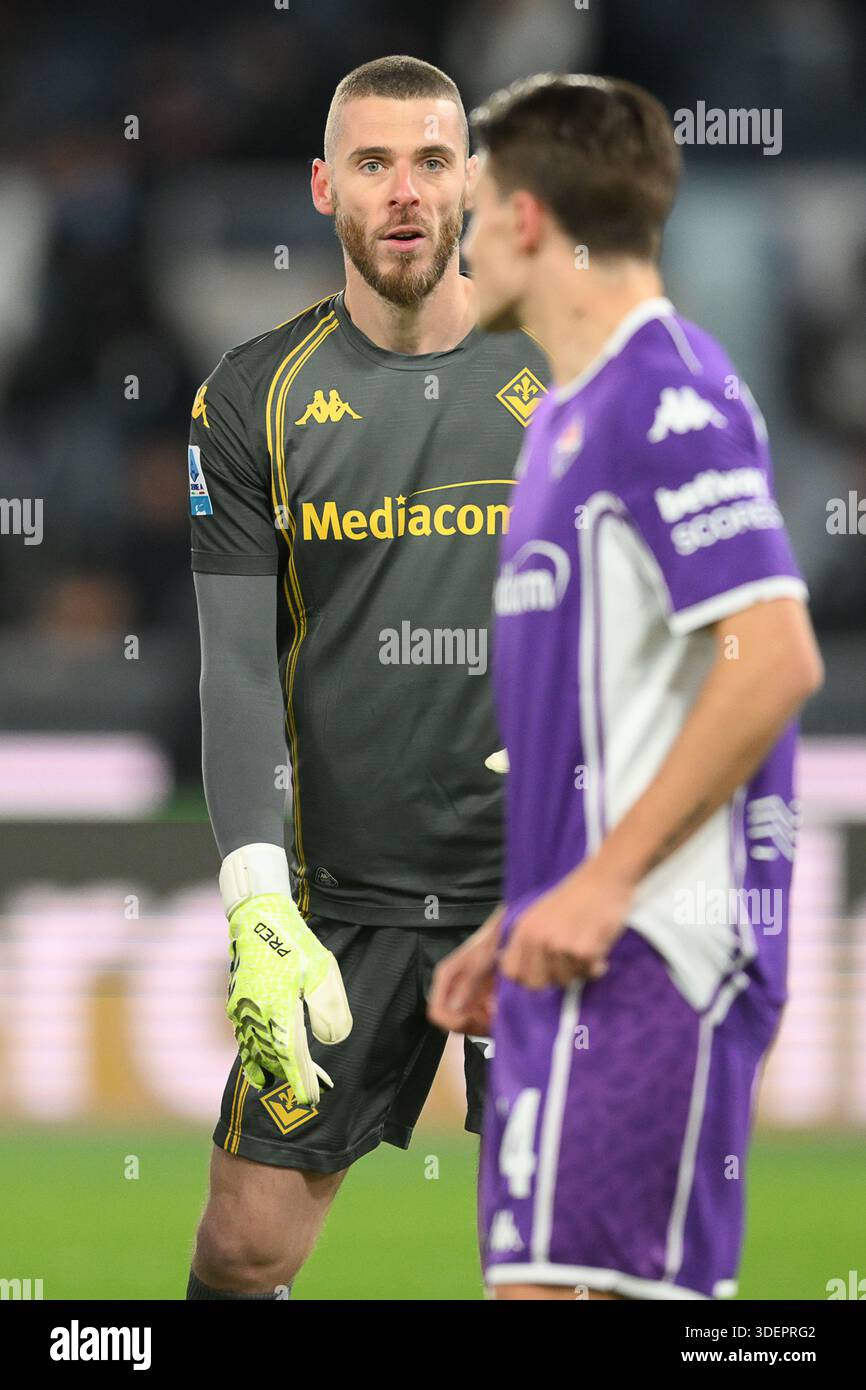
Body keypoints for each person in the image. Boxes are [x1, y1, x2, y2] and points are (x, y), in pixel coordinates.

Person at [429, 73, 823, 1300]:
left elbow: (774, 656)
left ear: (532, 219)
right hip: (577, 956)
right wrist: (528, 904)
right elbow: (616, 715)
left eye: (479, 202)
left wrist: (600, 883)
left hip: (656, 956)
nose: (463, 233)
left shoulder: (666, 394)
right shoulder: (566, 420)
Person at [185, 55, 549, 1300]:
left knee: (557, 1268)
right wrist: (254, 903)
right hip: (342, 903)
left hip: (540, 893)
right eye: (374, 163)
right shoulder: (251, 398)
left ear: (472, 188)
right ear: (321, 186)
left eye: (432, 161)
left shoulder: (568, 378)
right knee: (240, 1250)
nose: (404, 192)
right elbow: (234, 664)